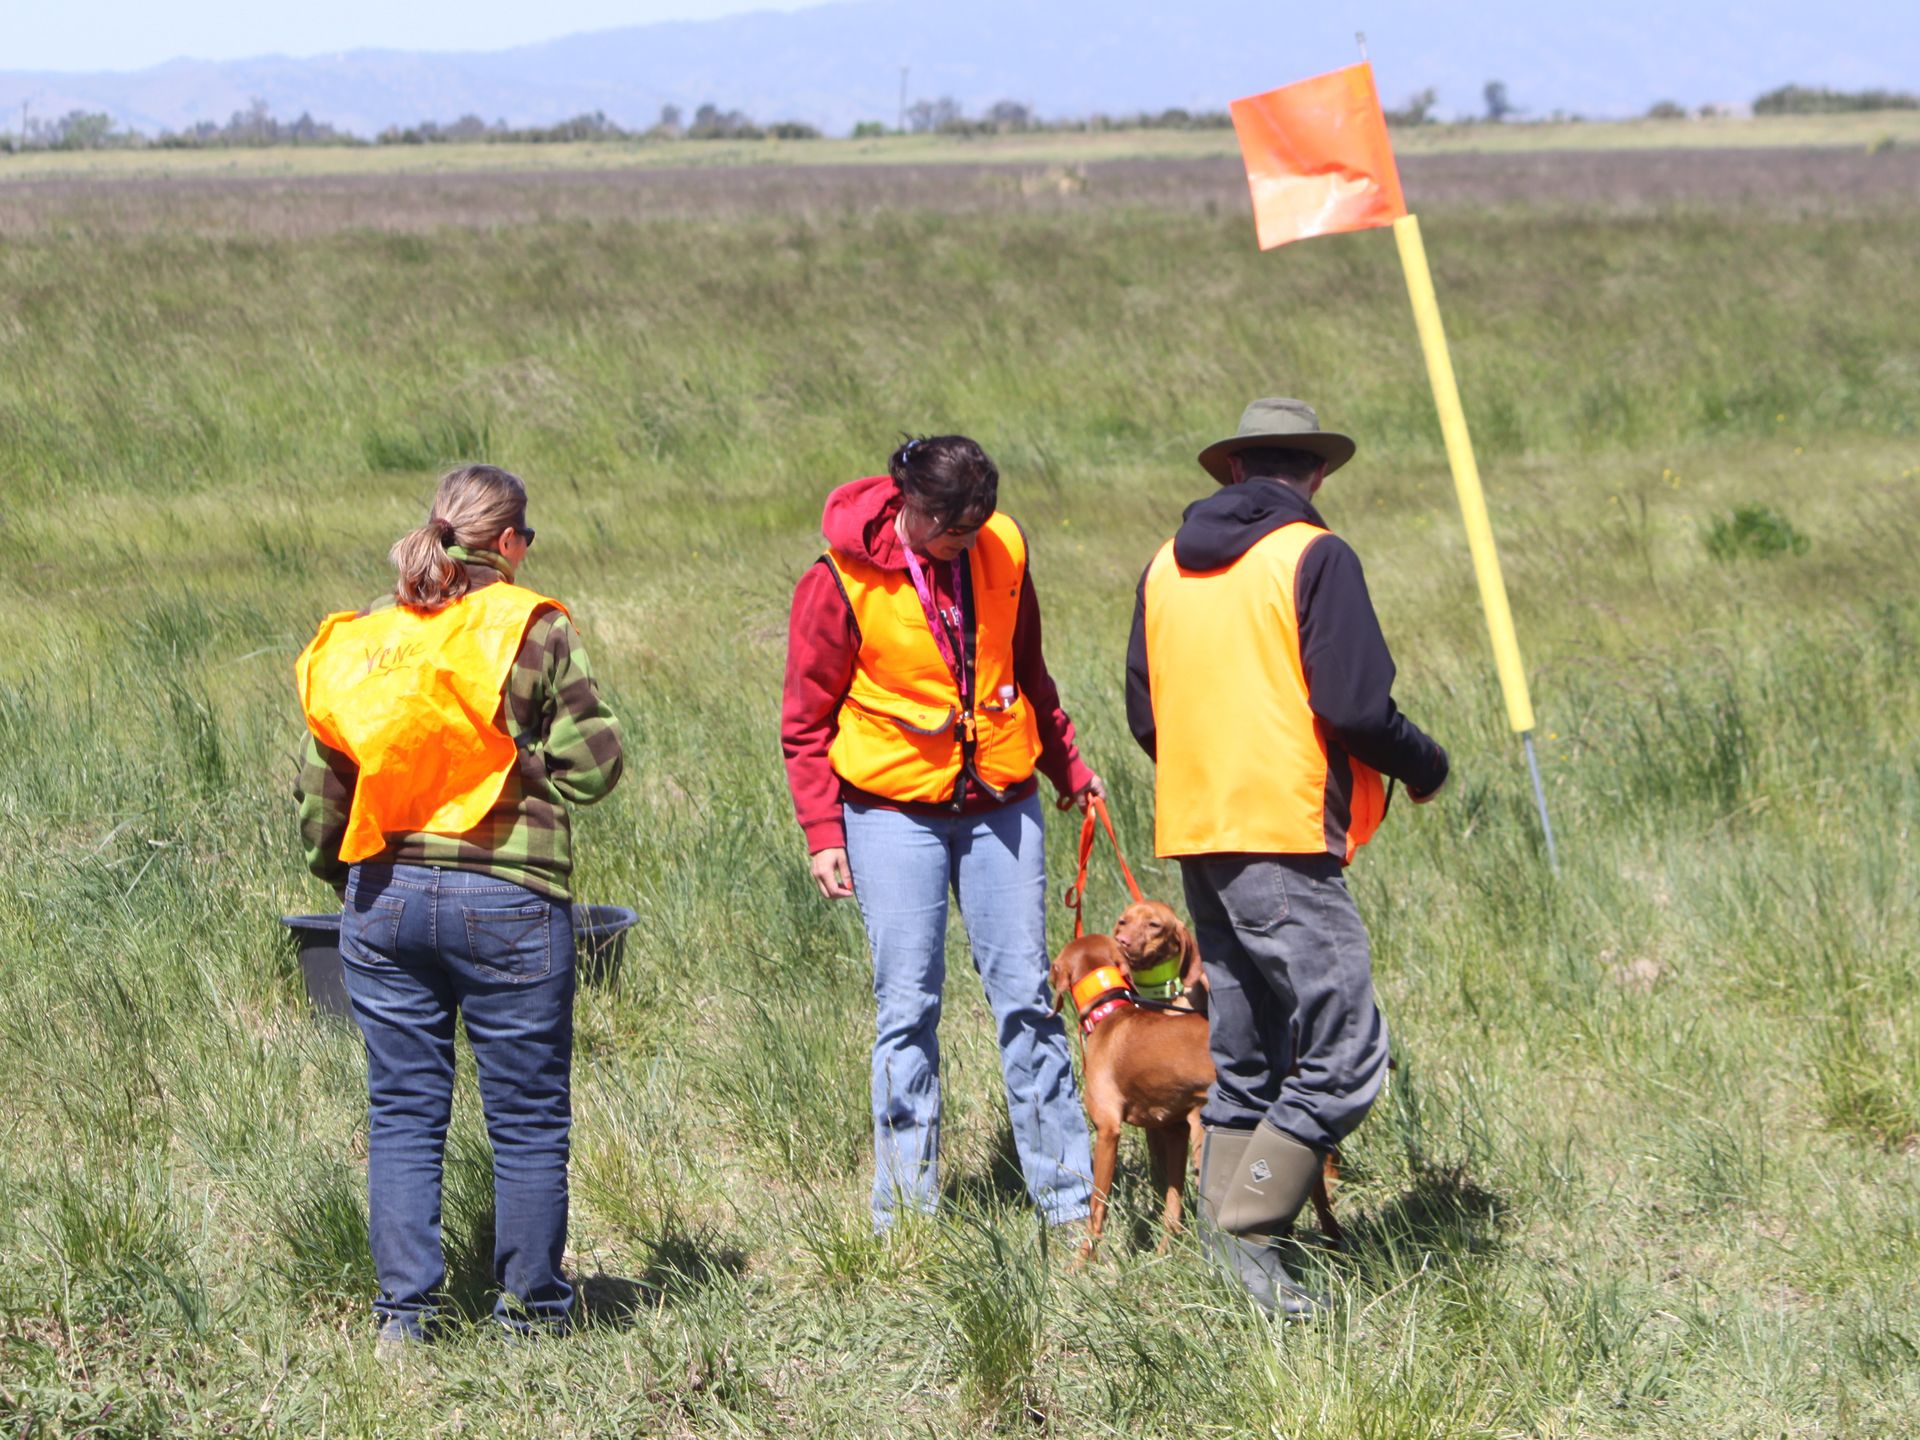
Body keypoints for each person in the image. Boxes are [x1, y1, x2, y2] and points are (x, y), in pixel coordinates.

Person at [1125, 398, 1449, 1314]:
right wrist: (1425, 764)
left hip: (1200, 830)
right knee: (1348, 1051)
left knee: (1250, 1043)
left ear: (1232, 471)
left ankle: (1237, 1266)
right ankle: (1246, 1234)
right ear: (1316, 474)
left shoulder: (1161, 567)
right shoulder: (1316, 554)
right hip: (1283, 832)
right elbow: (1354, 708)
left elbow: (1148, 717)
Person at [294, 464, 622, 1346]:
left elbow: (323, 790)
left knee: (402, 1109)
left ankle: (405, 1318)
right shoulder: (532, 624)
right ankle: (531, 1318)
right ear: (508, 543)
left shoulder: (366, 635)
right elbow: (595, 770)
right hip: (510, 899)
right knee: (525, 1115)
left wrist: (347, 881)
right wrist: (526, 763)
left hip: (383, 897)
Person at [782, 435, 1100, 1231]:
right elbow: (805, 720)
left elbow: (1029, 673)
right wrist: (824, 831)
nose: (970, 544)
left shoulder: (1005, 550)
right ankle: (907, 1216)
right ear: (912, 508)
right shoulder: (836, 581)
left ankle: (1068, 1202)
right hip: (892, 816)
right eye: (954, 533)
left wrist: (1070, 770)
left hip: (1002, 803)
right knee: (907, 1009)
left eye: (979, 528)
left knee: (1029, 999)